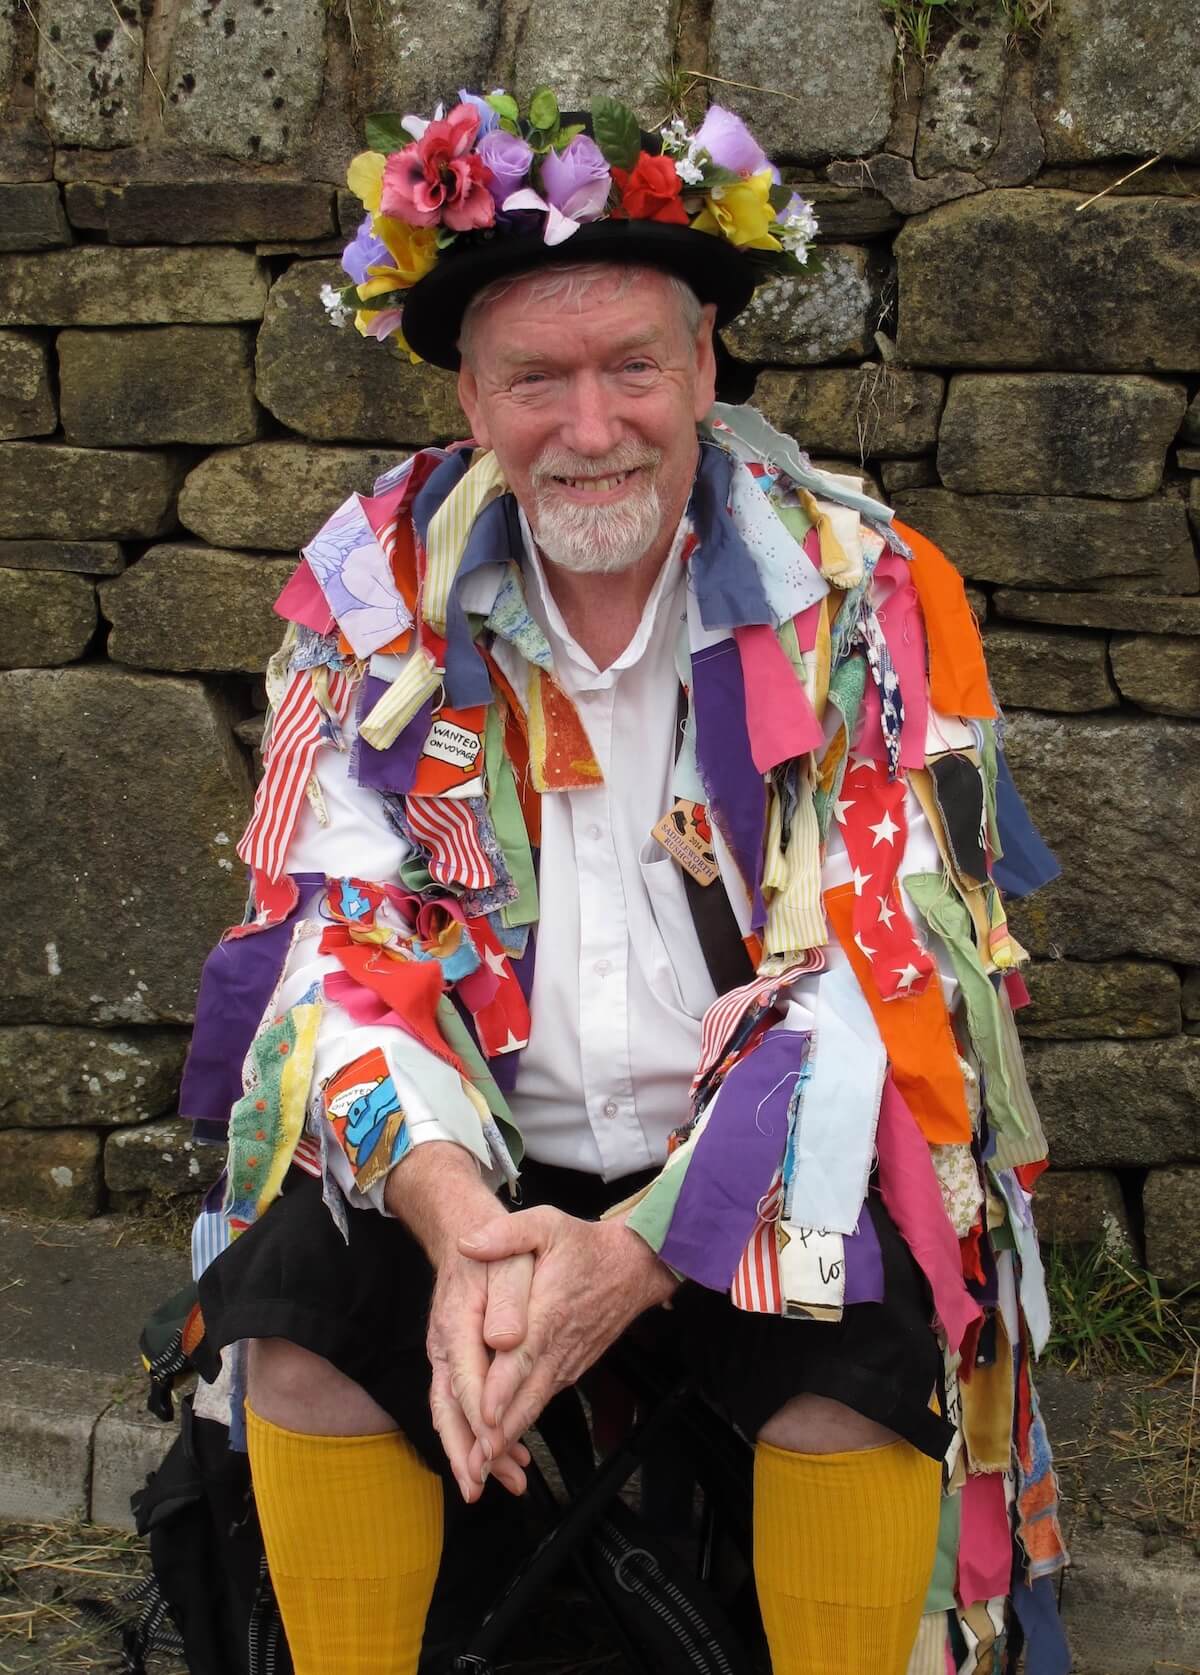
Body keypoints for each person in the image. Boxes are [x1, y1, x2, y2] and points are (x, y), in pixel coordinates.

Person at [179, 88, 1071, 1675]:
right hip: (482, 1157)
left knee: (853, 1342)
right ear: (467, 393)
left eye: (631, 368)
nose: (590, 428)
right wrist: (459, 1227)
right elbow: (335, 954)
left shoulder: (857, 596)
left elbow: (882, 978)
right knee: (298, 1316)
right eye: (535, 377)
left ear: (707, 367)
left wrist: (644, 1254)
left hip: (750, 1160)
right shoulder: (375, 591)